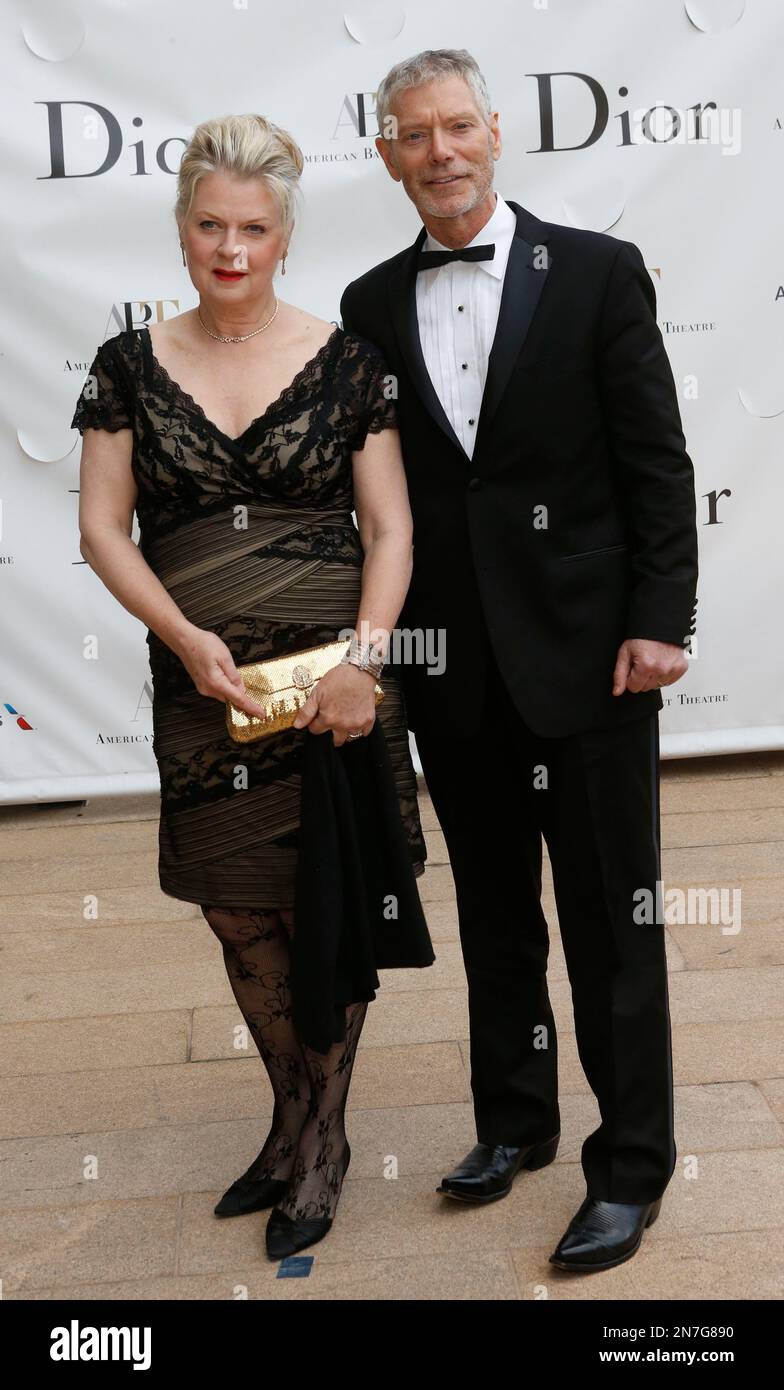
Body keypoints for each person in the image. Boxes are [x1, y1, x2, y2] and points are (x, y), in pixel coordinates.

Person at [340, 49, 699, 1273]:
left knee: (611, 920)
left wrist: (662, 619)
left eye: (455, 128)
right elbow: (379, 504)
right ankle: (514, 1123)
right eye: (412, 136)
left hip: (593, 660)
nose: (438, 153)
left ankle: (631, 1167)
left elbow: (656, 463)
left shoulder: (597, 273)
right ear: (386, 153)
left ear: (493, 131)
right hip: (456, 671)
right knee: (496, 913)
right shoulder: (368, 304)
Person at [71, 113, 432, 1261]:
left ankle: (323, 1141)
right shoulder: (128, 363)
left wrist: (363, 663)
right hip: (204, 684)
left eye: (255, 229)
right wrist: (181, 636)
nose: (232, 249)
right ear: (181, 229)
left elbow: (390, 526)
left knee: (322, 903)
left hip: (335, 693)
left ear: (285, 236)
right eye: (211, 225)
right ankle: (288, 1114)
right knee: (236, 911)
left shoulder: (348, 361)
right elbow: (99, 525)